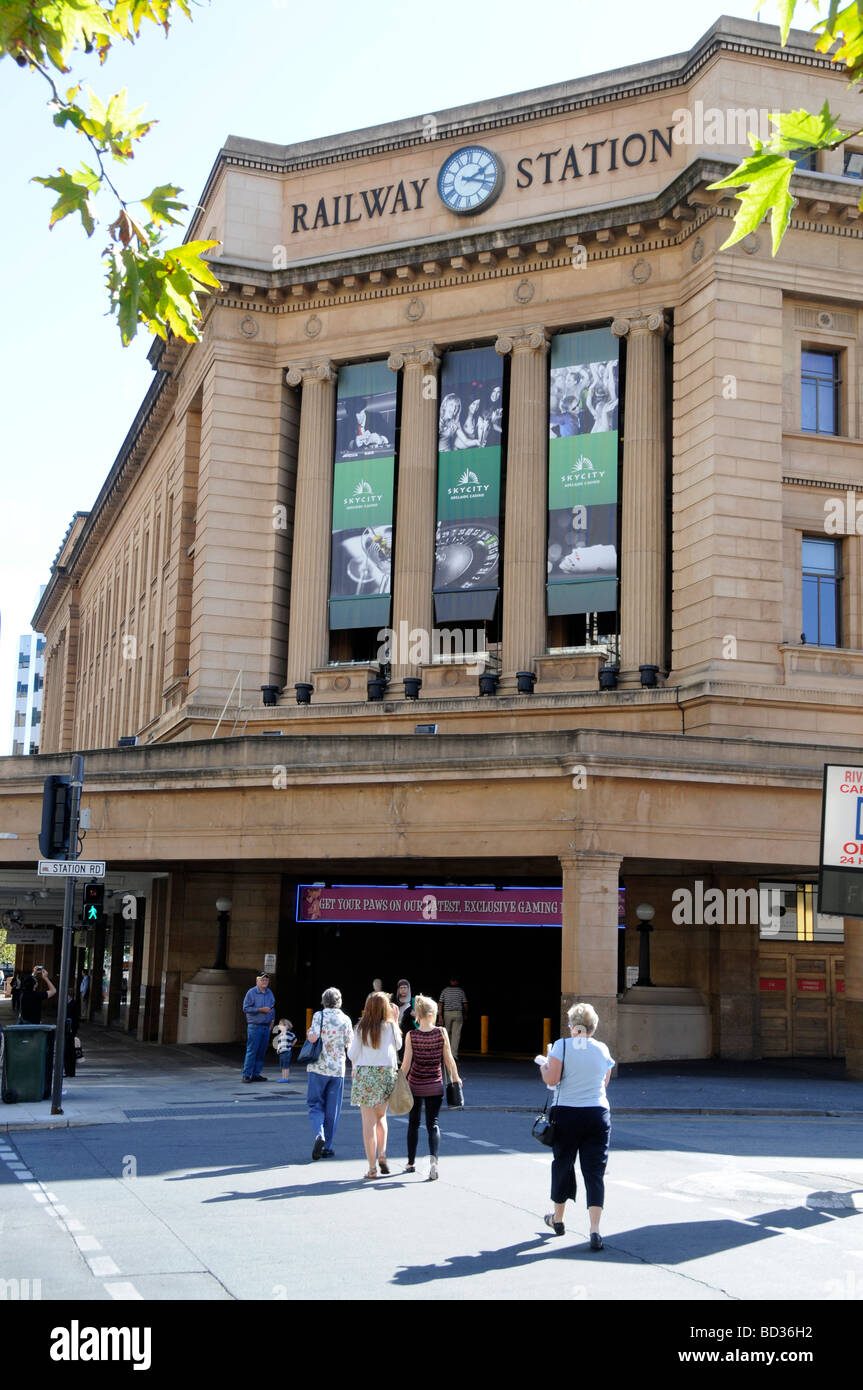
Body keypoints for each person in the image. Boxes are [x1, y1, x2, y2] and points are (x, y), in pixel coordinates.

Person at [535, 1001, 615, 1249]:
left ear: (573, 1026)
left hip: (567, 1113)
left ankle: (558, 1219)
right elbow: (604, 1084)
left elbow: (552, 1078)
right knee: (594, 1171)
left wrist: (544, 1065)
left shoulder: (561, 1046)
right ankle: (595, 1229)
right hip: (597, 1114)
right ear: (592, 1027)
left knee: (563, 1164)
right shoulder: (602, 1049)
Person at [400, 994, 461, 1181]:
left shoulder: (412, 1036)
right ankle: (434, 1163)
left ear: (417, 1014)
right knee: (433, 1124)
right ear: (433, 1013)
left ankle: (411, 1163)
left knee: (413, 1123)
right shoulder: (441, 1032)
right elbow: (449, 1060)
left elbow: (406, 1064)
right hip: (435, 1085)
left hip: (415, 1085)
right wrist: (456, 1078)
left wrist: (398, 1081)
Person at [348, 991, 401, 1179]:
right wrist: (396, 1021)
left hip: (366, 1076)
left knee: (367, 1124)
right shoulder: (390, 1026)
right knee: (381, 1118)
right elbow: (399, 1045)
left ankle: (371, 1168)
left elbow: (352, 1055)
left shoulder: (361, 1027)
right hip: (385, 1074)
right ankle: (382, 1154)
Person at [306, 987, 353, 1159]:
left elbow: (312, 1037)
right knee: (332, 1109)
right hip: (337, 1069)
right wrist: (354, 1067)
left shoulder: (319, 1016)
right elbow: (350, 1045)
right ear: (339, 1001)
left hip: (318, 1067)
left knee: (315, 1104)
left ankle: (319, 1133)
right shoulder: (345, 1019)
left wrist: (309, 1033)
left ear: (324, 1001)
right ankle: (327, 1146)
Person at [241, 972, 275, 1082]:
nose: (264, 982)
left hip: (266, 1026)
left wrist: (272, 1021)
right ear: (257, 981)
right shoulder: (251, 993)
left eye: (266, 980)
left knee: (261, 1051)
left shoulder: (269, 993)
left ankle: (256, 1074)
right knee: (252, 1050)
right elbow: (246, 1008)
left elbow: (272, 1007)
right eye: (262, 980)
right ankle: (246, 1074)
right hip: (255, 1026)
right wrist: (260, 1009)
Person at [438, 977, 468, 1059]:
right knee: (456, 1035)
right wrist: (465, 1014)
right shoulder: (461, 991)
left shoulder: (445, 990)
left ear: (450, 981)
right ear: (457, 981)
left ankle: (446, 1055)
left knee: (447, 1034)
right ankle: (453, 1055)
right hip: (458, 1013)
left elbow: (440, 1003)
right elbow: (465, 1004)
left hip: (447, 1013)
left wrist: (440, 1016)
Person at [63, 983, 81, 1078]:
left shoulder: (73, 1004)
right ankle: (68, 1070)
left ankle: (69, 1071)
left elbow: (75, 1019)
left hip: (70, 1030)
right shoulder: (68, 1004)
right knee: (67, 1051)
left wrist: (72, 1031)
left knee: (69, 1051)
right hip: (67, 1030)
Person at [271, 1017, 296, 1083]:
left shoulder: (289, 1034)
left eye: (284, 1025)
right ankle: (283, 1077)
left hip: (287, 1051)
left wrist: (291, 1045)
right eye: (280, 1025)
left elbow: (295, 1039)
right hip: (281, 1052)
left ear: (287, 1026)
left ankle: (286, 1078)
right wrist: (278, 1049)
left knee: (286, 1065)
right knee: (282, 1065)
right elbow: (279, 1043)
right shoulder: (280, 1035)